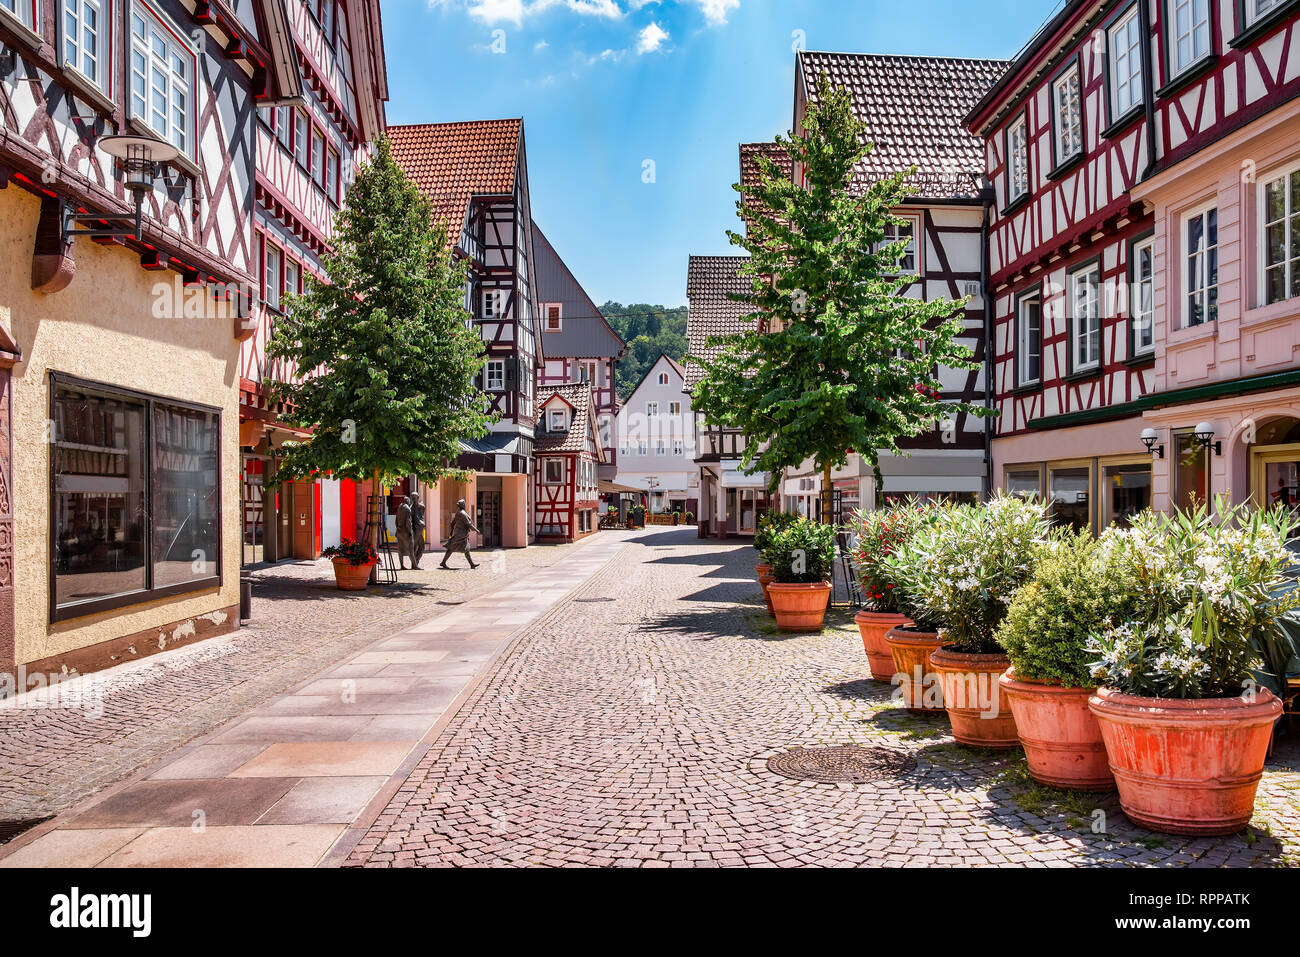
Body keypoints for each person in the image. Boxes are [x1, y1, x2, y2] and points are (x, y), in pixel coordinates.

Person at [441, 498, 479, 569]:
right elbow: (469, 524)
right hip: (460, 535)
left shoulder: (458, 512)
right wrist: (476, 530)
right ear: (463, 505)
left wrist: (452, 530)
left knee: (466, 549)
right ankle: (443, 562)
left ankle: (472, 564)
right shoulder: (462, 513)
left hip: (461, 534)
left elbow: (453, 522)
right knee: (451, 548)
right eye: (464, 504)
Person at [394, 494, 415, 570]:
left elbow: (396, 520)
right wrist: (410, 532)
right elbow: (408, 522)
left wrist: (397, 528)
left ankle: (402, 565)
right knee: (410, 548)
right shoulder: (407, 509)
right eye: (409, 501)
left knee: (400, 549)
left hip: (399, 531)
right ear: (407, 501)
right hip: (405, 532)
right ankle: (414, 565)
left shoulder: (399, 507)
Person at [410, 492, 427, 569]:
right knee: (415, 546)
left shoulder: (421, 506)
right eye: (413, 498)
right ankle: (414, 564)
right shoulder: (410, 509)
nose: (414, 500)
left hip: (420, 528)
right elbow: (411, 520)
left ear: (418, 498)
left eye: (415, 498)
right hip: (415, 530)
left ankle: (415, 562)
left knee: (422, 547)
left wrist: (421, 522)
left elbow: (421, 516)